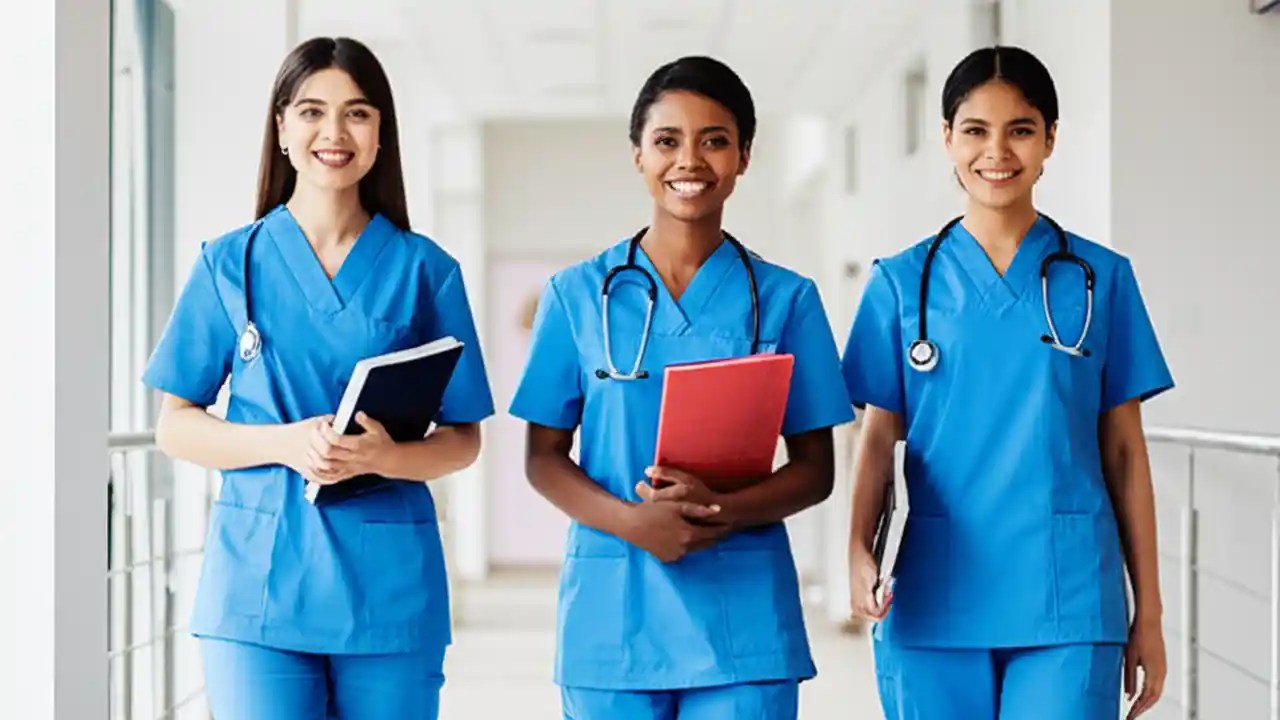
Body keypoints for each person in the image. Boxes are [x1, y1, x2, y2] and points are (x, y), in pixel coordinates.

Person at [142, 37, 493, 719]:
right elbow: (175, 425)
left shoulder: (426, 271)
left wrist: (389, 456)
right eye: (311, 112)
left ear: (380, 134)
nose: (333, 133)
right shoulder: (229, 265)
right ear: (280, 128)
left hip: (389, 590)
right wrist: (284, 443)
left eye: (357, 114)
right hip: (256, 587)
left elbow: (464, 438)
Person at [508, 56, 855, 719]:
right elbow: (542, 458)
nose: (689, 160)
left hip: (741, 622)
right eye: (667, 140)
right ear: (638, 155)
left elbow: (815, 472)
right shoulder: (577, 296)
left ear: (744, 157)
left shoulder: (787, 300)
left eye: (715, 140)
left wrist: (719, 514)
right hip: (613, 619)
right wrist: (635, 524)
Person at [842, 45, 1172, 719]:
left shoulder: (1102, 280)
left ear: (1051, 139)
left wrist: (1151, 613)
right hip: (934, 596)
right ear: (946, 138)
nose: (997, 151)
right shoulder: (900, 283)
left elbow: (1126, 455)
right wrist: (855, 549)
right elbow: (875, 441)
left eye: (1020, 129)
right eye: (975, 130)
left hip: (1068, 600)